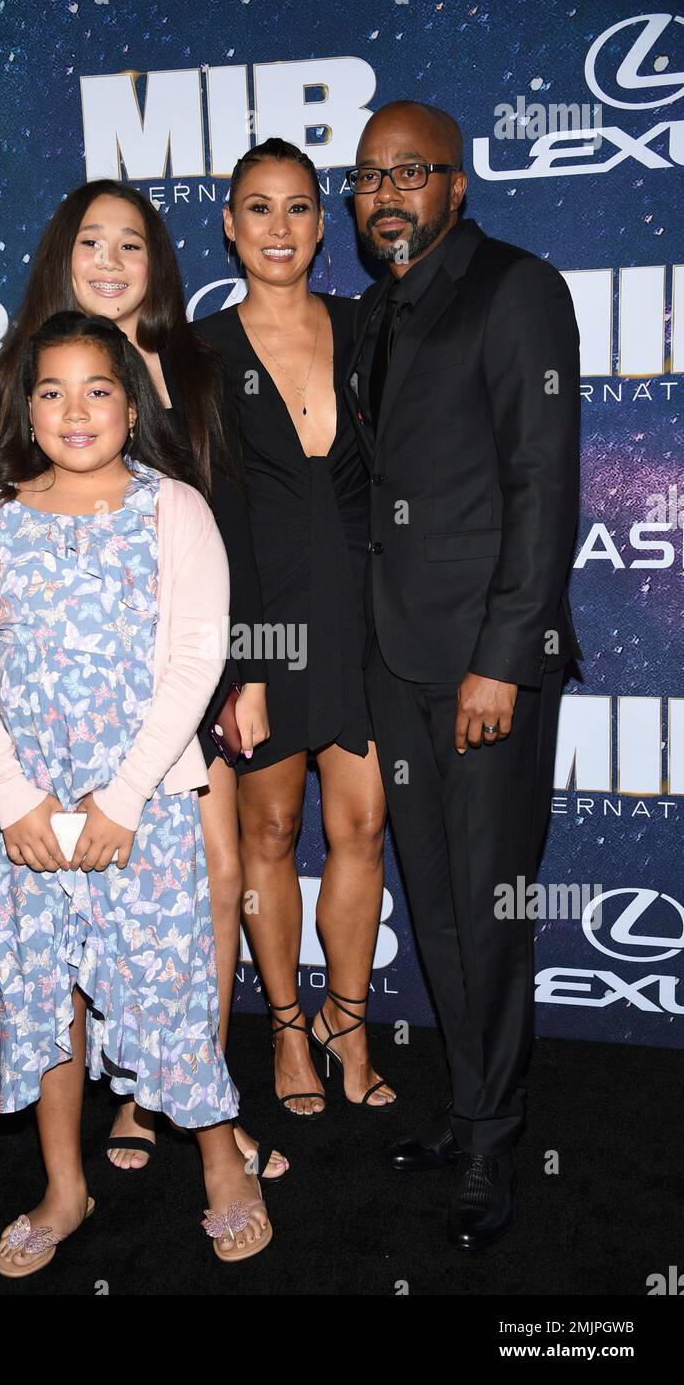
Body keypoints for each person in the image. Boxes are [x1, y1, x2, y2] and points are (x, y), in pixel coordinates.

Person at [0, 310, 273, 1266]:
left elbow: (196, 657)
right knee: (38, 994)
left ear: (131, 405)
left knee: (167, 989)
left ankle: (220, 1163)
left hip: (145, 806)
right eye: (51, 391)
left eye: (97, 389)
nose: (74, 410)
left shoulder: (174, 508)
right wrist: (12, 795)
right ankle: (64, 1188)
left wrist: (123, 800)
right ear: (24, 406)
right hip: (25, 815)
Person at [0, 179, 287, 1181]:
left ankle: (195, 1101)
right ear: (62, 255)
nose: (109, 261)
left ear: (156, 266)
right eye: (90, 242)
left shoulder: (193, 363)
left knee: (206, 888)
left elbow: (224, 521)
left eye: (132, 245)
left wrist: (241, 673)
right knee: (64, 932)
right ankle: (131, 1114)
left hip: (175, 683)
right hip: (47, 719)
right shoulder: (28, 383)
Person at [347, 101, 582, 1249]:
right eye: (368, 179)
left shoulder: (515, 289)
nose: (385, 195)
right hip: (396, 661)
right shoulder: (380, 311)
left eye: (409, 173)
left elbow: (543, 486)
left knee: (491, 908)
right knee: (434, 904)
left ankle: (494, 1142)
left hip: (483, 667)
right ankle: (466, 1105)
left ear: (455, 183)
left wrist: (503, 657)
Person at [196, 139, 395, 1117]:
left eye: (299, 208)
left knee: (361, 824)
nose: (279, 228)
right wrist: (242, 661)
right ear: (229, 225)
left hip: (364, 615)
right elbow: (209, 520)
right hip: (263, 623)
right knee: (268, 829)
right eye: (258, 208)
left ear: (325, 223)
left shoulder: (369, 328)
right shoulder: (200, 354)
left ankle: (346, 1023)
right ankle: (284, 1030)